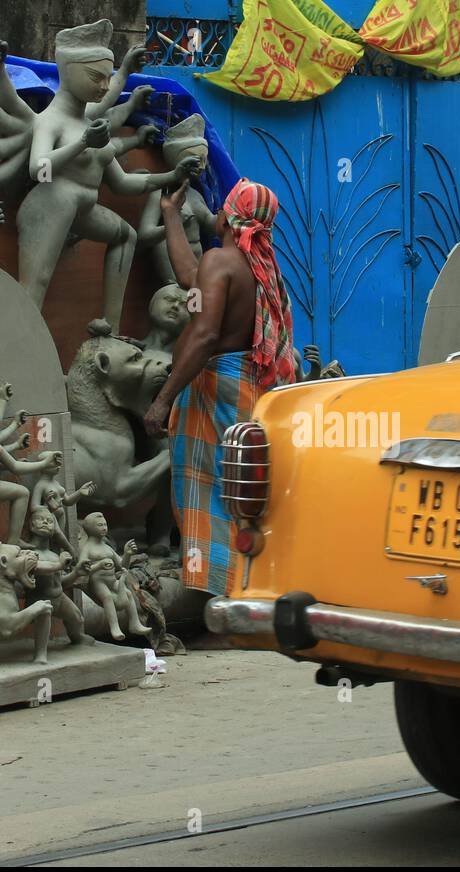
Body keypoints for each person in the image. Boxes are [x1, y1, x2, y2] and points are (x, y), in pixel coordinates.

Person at [143, 178, 297, 595]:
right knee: (248, 495)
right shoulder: (255, 267)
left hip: (219, 390)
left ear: (229, 216)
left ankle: (228, 606)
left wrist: (163, 399)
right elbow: (192, 279)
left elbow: (205, 335)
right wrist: (171, 215)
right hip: (248, 390)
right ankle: (257, 592)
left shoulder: (221, 259)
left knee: (217, 496)